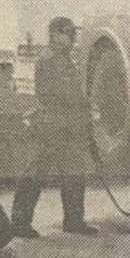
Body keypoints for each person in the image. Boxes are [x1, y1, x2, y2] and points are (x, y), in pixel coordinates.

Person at [10, 17, 97, 237]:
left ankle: (74, 221)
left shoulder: (63, 58)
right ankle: (20, 223)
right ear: (56, 35)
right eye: (68, 34)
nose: (73, 38)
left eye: (72, 34)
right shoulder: (51, 60)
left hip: (67, 124)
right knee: (37, 173)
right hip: (53, 124)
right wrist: (85, 106)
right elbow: (64, 94)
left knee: (74, 172)